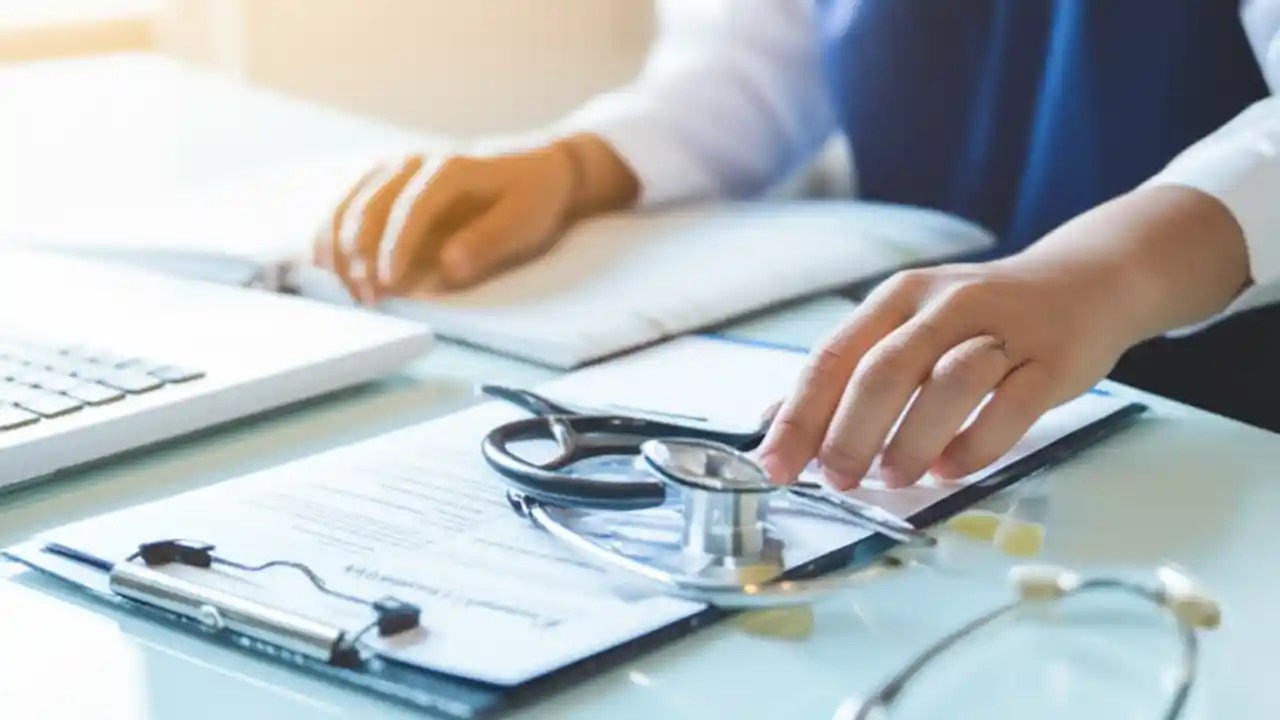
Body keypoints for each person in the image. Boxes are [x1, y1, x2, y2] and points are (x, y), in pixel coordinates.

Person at [315, 1, 1280, 490]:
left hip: (1229, 420)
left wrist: (1112, 271)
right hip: (946, 411)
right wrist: (586, 163)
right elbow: (766, 43)